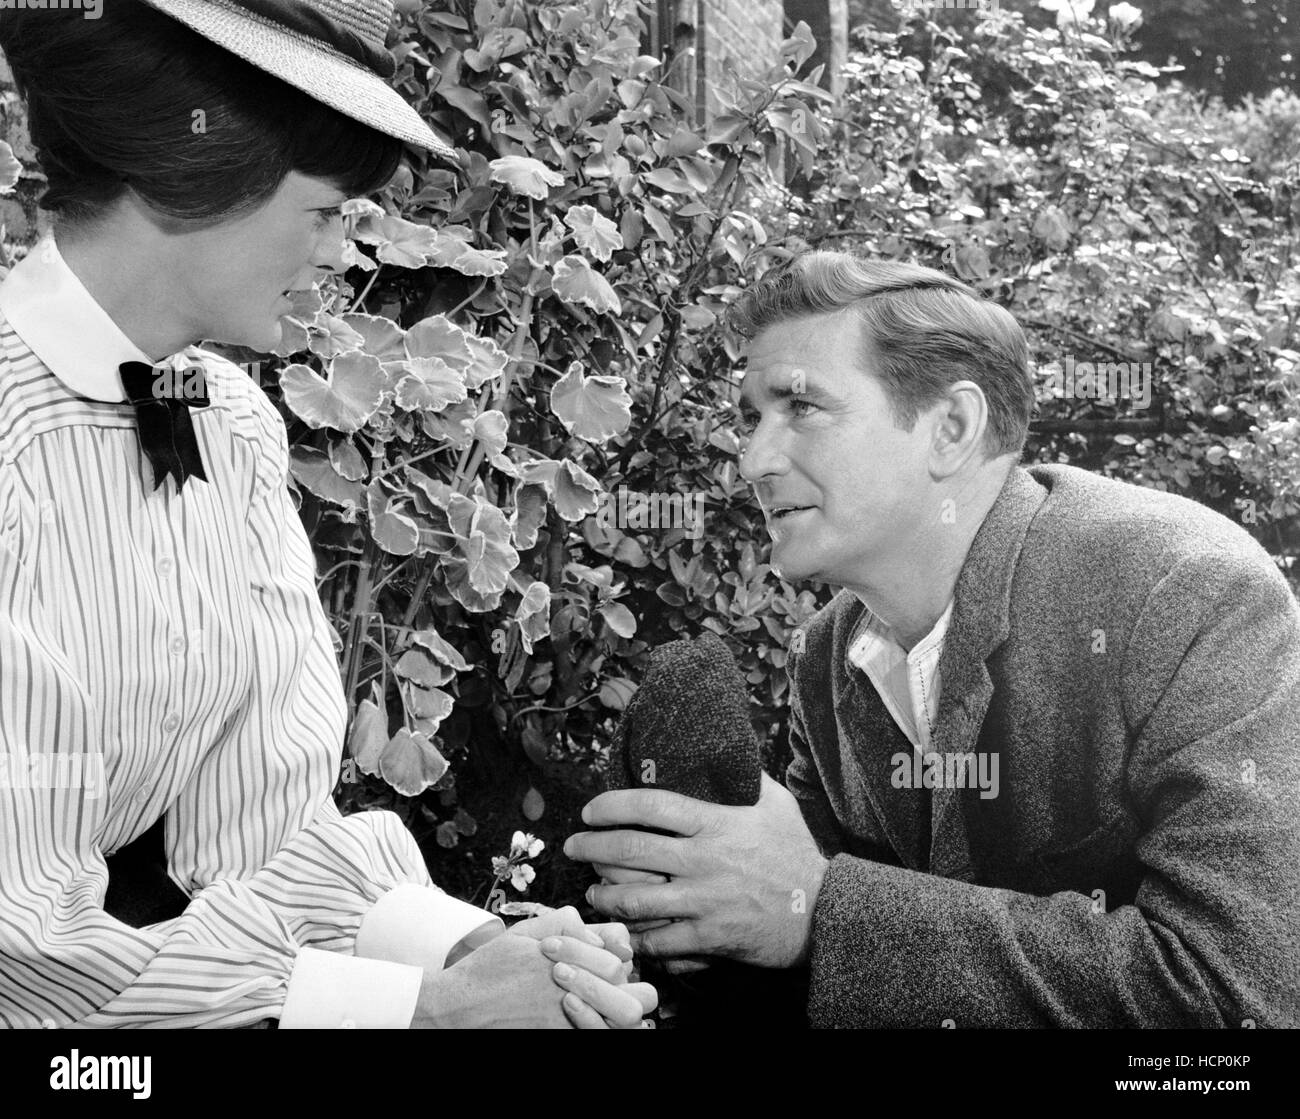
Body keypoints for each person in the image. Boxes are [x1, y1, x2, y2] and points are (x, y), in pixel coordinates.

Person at [0, 0, 654, 1029]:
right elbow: (26, 950)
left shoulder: (230, 423)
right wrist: (425, 1013)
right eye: (324, 211)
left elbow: (259, 825)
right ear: (192, 172)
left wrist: (478, 947)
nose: (346, 253)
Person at [566, 251, 1300, 1027]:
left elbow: (1240, 1003)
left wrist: (820, 908)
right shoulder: (827, 657)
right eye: (752, 416)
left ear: (950, 428)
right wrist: (691, 935)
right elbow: (819, 982)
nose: (752, 459)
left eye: (801, 407)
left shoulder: (1184, 589)